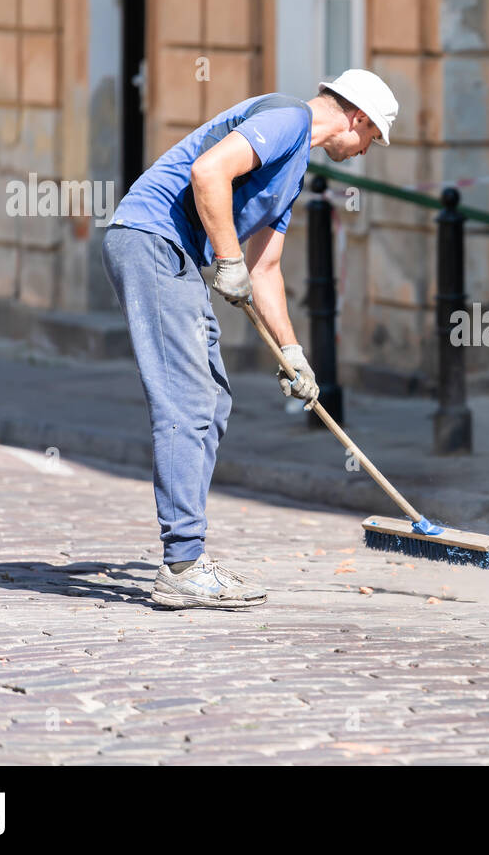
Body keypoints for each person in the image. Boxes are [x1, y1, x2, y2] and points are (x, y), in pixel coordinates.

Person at [101, 69, 398, 609]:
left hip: (174, 257)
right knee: (187, 402)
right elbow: (207, 171)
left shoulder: (293, 167)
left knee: (211, 401)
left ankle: (186, 556)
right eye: (371, 139)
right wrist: (228, 258)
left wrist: (292, 353)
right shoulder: (287, 118)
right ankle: (183, 565)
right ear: (357, 118)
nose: (365, 151)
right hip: (152, 244)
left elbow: (265, 268)